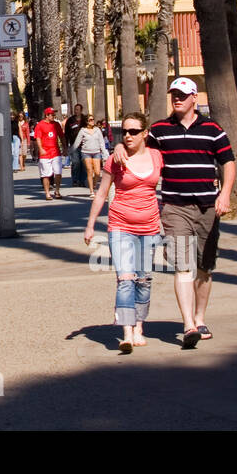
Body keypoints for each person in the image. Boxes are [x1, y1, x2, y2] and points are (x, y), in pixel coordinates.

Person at [109, 77, 235, 349]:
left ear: (194, 98)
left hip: (207, 208)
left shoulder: (213, 129)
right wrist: (120, 145)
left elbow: (228, 162)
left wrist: (224, 195)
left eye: (182, 94)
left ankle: (200, 318)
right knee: (183, 265)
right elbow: (139, 147)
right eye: (173, 94)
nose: (176, 98)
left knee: (204, 268)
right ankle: (188, 324)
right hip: (175, 207)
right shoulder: (160, 130)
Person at [84, 112, 164, 353]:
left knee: (144, 279)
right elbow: (101, 193)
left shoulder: (157, 156)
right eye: (124, 132)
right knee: (125, 279)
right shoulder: (115, 159)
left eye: (133, 132)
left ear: (145, 134)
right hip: (120, 226)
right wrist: (90, 225)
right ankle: (127, 331)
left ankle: (139, 326)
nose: (127, 136)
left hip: (150, 226)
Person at [33, 108, 65, 199]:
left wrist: (65, 148)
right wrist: (41, 149)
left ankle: (57, 190)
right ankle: (47, 193)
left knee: (58, 172)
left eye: (54, 114)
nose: (54, 116)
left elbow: (61, 136)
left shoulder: (56, 124)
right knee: (46, 174)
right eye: (52, 114)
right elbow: (38, 138)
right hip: (45, 153)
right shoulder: (40, 125)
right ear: (46, 115)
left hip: (55, 152)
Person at [71, 114, 106, 194]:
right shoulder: (83, 130)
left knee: (97, 172)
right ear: (86, 122)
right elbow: (77, 142)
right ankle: (91, 191)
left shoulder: (97, 130)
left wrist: (105, 154)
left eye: (93, 119)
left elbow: (101, 142)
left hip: (96, 152)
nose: (92, 121)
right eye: (90, 120)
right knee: (89, 171)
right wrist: (71, 151)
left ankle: (93, 184)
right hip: (86, 152)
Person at [64, 103, 87, 187]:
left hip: (84, 145)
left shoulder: (85, 120)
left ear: (81, 110)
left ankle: (82, 180)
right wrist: (65, 146)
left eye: (78, 109)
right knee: (76, 163)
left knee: (84, 164)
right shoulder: (70, 120)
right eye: (75, 109)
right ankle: (75, 180)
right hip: (74, 145)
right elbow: (66, 133)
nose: (76, 111)